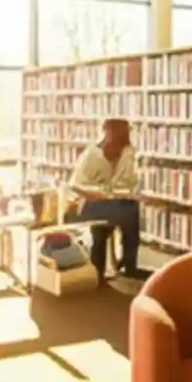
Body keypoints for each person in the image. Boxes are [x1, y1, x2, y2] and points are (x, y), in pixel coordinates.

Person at [67, 119, 141, 284]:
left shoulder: (128, 153)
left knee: (132, 209)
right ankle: (99, 268)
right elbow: (74, 184)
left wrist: (128, 193)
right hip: (91, 203)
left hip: (117, 201)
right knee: (110, 220)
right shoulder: (91, 154)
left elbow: (130, 181)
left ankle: (130, 265)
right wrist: (98, 193)